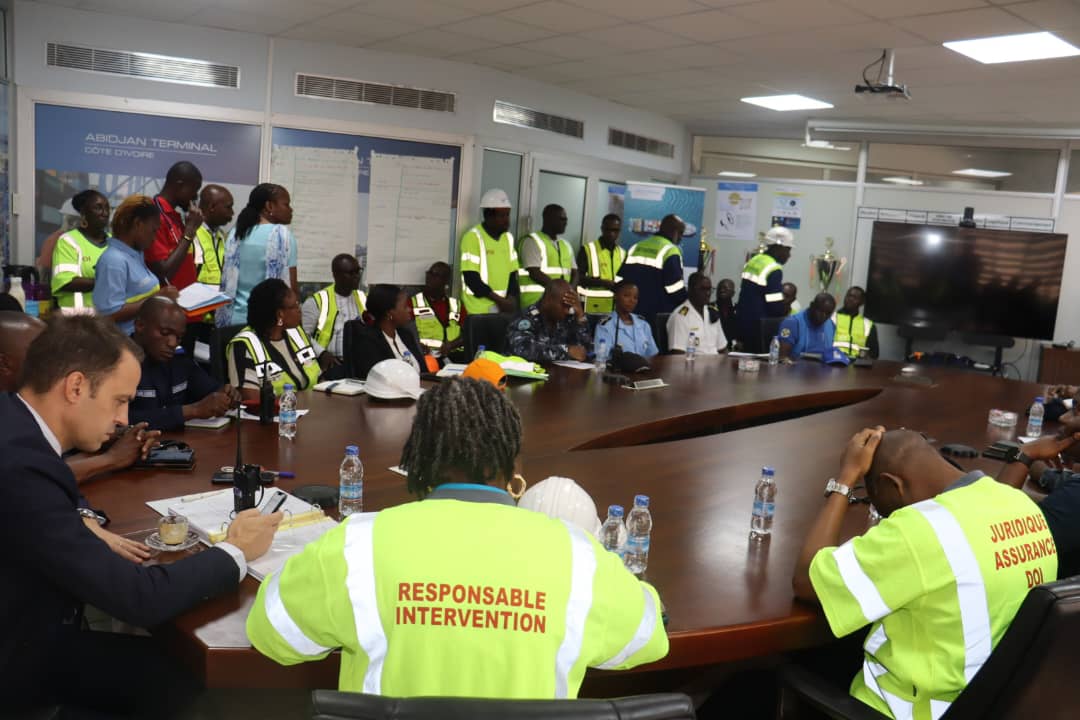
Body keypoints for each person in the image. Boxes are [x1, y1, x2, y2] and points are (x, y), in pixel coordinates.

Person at [246, 377, 668, 697]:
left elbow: (271, 632)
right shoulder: (578, 555)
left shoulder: (358, 544)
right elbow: (647, 638)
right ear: (513, 461)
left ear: (418, 461)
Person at [0, 314, 281, 718]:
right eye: (120, 401)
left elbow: (50, 493)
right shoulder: (20, 467)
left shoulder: (15, 424)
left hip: (32, 631)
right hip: (18, 664)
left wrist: (78, 518)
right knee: (180, 678)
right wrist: (235, 551)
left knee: (164, 670)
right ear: (76, 387)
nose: (123, 421)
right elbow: (139, 597)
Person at [792, 428, 1057, 720]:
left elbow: (807, 581)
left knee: (762, 678)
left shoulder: (921, 531)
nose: (884, 518)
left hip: (905, 711)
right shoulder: (1020, 505)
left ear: (892, 485)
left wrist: (846, 478)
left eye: (877, 502)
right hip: (986, 701)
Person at [0, 310, 160, 487]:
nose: (50, 358)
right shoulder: (18, 459)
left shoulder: (18, 418)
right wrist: (111, 459)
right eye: (119, 400)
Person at [129, 297, 240, 430]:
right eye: (165, 333)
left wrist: (226, 396)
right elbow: (120, 421)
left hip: (179, 445)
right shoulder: (117, 364)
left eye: (179, 337)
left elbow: (210, 390)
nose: (172, 343)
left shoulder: (178, 359)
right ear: (140, 325)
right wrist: (191, 411)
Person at [92, 195, 179, 335]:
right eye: (153, 230)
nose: (155, 237)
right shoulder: (114, 261)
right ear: (138, 224)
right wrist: (157, 298)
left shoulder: (136, 255)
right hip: (124, 342)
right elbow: (108, 315)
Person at [217, 183, 298, 327]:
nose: (291, 210)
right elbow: (290, 289)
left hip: (231, 322)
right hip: (266, 325)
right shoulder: (283, 237)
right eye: (286, 204)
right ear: (269, 206)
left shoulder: (235, 234)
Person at [227, 278, 320, 402]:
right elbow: (251, 399)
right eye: (294, 306)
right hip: (276, 417)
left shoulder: (296, 333)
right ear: (280, 314)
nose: (299, 310)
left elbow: (319, 378)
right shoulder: (244, 345)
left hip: (311, 409)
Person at [301, 253, 366, 374]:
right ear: (336, 275)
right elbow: (302, 336)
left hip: (359, 362)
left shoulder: (363, 298)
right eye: (351, 273)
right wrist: (322, 353)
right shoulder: (317, 301)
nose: (357, 276)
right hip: (330, 363)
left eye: (358, 271)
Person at [345, 284, 425, 380]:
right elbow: (379, 379)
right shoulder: (368, 341)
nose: (409, 309)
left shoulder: (406, 335)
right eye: (405, 306)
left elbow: (424, 371)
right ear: (389, 313)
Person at [50, 189, 111, 315]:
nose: (105, 213)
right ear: (84, 213)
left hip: (107, 320)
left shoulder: (114, 243)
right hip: (76, 321)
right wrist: (107, 280)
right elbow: (66, 282)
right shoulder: (68, 241)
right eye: (98, 208)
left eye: (107, 208)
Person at [460, 188, 520, 315]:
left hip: (502, 309)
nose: (507, 220)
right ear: (489, 216)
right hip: (478, 310)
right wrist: (500, 301)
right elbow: (471, 279)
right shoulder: (473, 237)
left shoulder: (508, 238)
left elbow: (512, 275)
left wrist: (510, 299)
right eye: (502, 215)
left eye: (508, 214)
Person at [735, 226, 794, 353]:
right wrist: (787, 307)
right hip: (760, 330)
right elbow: (775, 307)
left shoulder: (754, 260)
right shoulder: (773, 268)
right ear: (778, 247)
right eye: (788, 249)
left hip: (743, 325)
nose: (789, 255)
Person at [146, 160, 203, 289]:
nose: (195, 197)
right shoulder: (153, 215)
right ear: (179, 185)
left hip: (186, 301)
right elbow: (164, 274)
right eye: (194, 190)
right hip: (167, 303)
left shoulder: (175, 216)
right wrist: (189, 232)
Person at [507, 280, 592, 364]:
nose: (567, 311)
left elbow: (587, 351)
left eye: (569, 307)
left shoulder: (568, 318)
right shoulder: (527, 317)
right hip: (524, 374)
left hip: (558, 374)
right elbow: (523, 349)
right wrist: (566, 351)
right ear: (548, 300)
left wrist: (580, 316)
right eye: (564, 306)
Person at [619, 214, 687, 319]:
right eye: (681, 233)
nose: (681, 238)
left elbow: (620, 281)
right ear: (673, 231)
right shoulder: (670, 251)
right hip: (656, 316)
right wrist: (689, 302)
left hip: (631, 314)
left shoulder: (636, 247)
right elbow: (675, 289)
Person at [518, 204, 577, 308]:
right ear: (548, 219)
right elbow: (534, 273)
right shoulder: (531, 241)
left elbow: (575, 273)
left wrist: (569, 292)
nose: (565, 223)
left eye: (566, 219)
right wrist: (560, 291)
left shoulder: (566, 245)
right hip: (536, 303)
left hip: (560, 304)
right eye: (561, 219)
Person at [411, 261, 466, 361]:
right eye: (429, 273)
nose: (429, 277)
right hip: (427, 357)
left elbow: (467, 333)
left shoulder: (457, 305)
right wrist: (418, 345)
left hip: (454, 357)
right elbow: (405, 331)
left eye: (435, 275)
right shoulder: (413, 303)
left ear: (445, 280)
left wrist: (451, 345)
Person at [593, 280, 659, 359]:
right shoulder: (605, 325)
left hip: (643, 369)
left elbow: (652, 355)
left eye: (635, 297)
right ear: (616, 296)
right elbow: (601, 358)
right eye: (626, 295)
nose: (632, 301)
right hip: (617, 371)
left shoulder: (643, 324)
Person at [577, 213, 625, 314]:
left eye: (615, 230)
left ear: (619, 232)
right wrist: (603, 283)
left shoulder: (622, 253)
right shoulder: (587, 250)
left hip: (615, 310)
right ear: (602, 229)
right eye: (608, 230)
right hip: (591, 309)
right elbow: (578, 278)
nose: (611, 234)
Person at [667, 272, 726, 355]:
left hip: (715, 365)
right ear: (690, 290)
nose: (708, 293)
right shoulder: (680, 317)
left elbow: (722, 349)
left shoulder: (712, 313)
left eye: (709, 289)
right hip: (693, 365)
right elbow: (677, 355)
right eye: (703, 289)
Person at [194, 184, 234, 286]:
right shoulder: (192, 234)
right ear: (212, 207)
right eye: (228, 207)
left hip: (218, 298)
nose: (232, 213)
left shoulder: (220, 236)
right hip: (196, 298)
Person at [778, 292, 837, 361]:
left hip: (823, 369)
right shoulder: (792, 323)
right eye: (820, 311)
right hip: (795, 369)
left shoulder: (830, 325)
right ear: (812, 305)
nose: (823, 316)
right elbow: (782, 358)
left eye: (828, 313)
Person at [834, 286, 879, 359]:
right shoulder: (833, 318)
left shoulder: (868, 324)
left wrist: (865, 357)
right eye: (849, 296)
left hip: (857, 365)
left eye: (855, 297)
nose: (850, 299)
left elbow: (874, 353)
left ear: (862, 302)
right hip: (835, 361)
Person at [715, 277, 737, 344]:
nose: (722, 290)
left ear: (733, 293)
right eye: (719, 288)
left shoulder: (738, 309)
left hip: (734, 348)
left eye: (725, 288)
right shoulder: (709, 308)